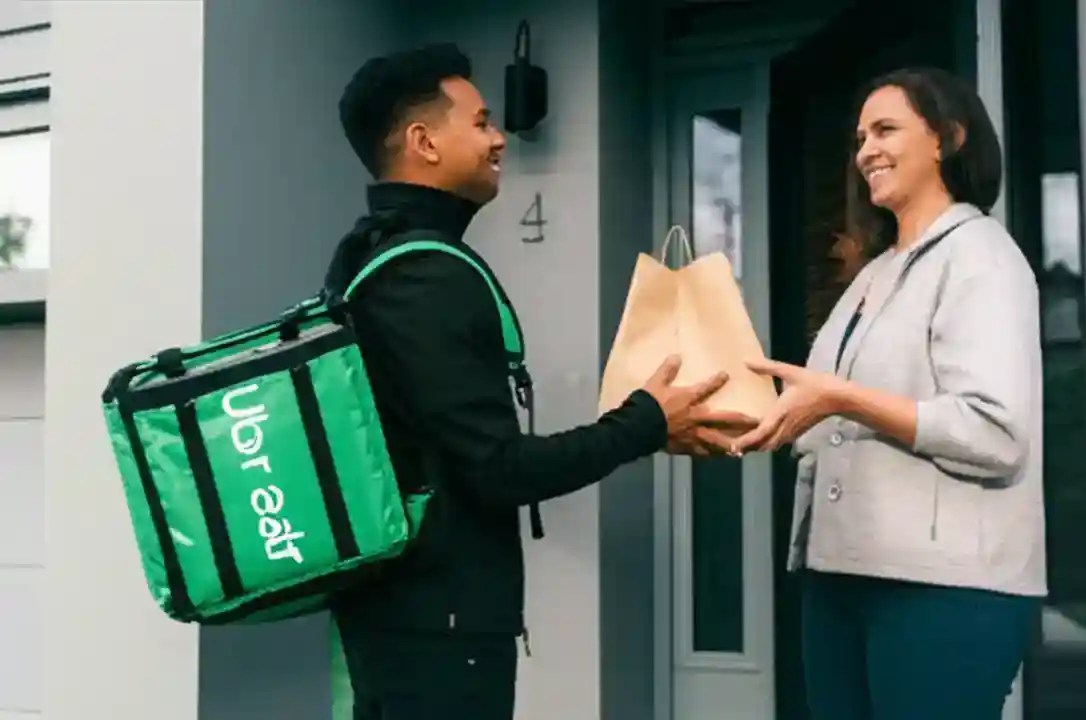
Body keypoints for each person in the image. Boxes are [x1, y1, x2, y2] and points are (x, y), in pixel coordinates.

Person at [326, 44, 755, 720]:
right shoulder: (426, 277)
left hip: (412, 622)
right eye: (480, 121)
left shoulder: (376, 254)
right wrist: (644, 422)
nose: (500, 139)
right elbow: (499, 470)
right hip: (438, 632)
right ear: (423, 141)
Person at [736, 67, 1045, 719]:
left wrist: (839, 399)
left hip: (944, 591)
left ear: (948, 139)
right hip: (842, 578)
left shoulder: (982, 258)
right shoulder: (875, 274)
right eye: (859, 137)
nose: (865, 151)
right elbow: (828, 412)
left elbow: (995, 433)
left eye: (886, 130)